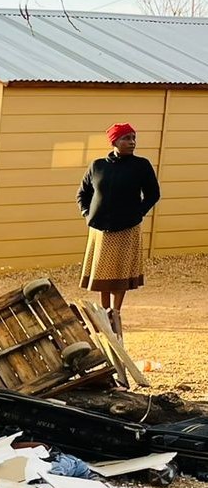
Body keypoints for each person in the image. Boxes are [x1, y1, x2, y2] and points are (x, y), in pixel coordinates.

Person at [78, 122, 161, 335]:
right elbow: (83, 194)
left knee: (120, 271)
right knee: (103, 272)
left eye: (133, 138)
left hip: (128, 227)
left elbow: (153, 194)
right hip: (100, 228)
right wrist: (88, 215)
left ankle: (115, 312)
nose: (131, 142)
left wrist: (137, 213)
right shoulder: (97, 166)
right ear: (114, 141)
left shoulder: (141, 165)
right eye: (126, 138)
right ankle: (103, 312)